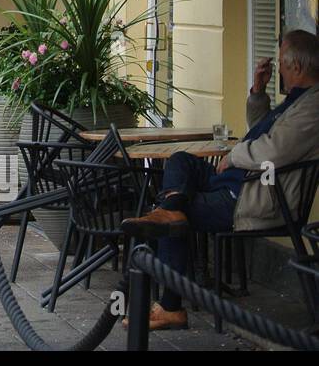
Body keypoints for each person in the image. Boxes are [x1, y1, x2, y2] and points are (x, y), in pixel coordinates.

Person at [122, 30, 319, 331]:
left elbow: (274, 151)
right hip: (237, 181)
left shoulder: (312, 107)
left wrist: (235, 155)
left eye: (281, 62)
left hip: (253, 196)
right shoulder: (297, 100)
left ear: (298, 67)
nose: (278, 67)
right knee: (180, 160)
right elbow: (261, 133)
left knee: (169, 219)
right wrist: (257, 91)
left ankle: (170, 308)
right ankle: (172, 206)